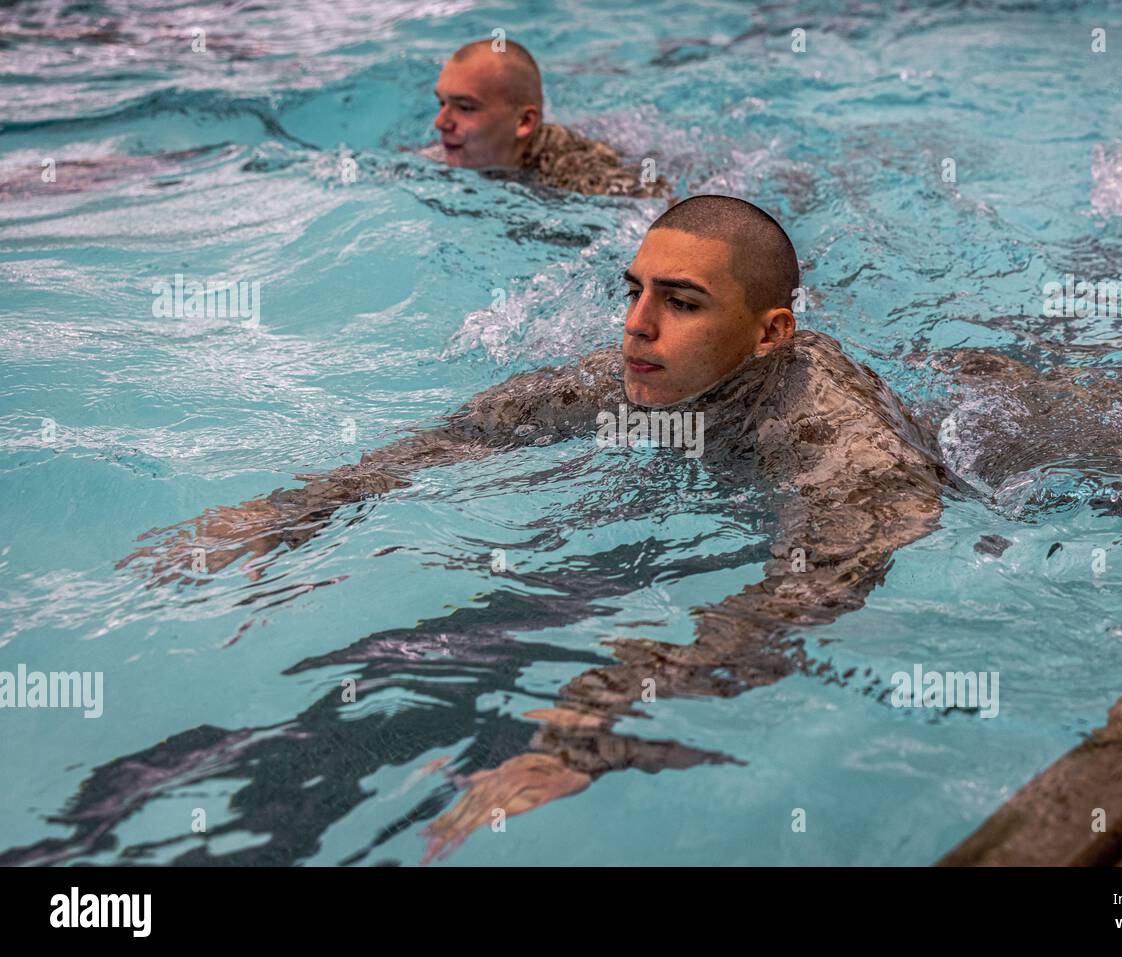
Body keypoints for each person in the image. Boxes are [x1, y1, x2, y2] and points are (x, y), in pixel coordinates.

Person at [122, 194, 949, 856]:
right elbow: (470, 431)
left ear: (770, 333)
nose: (637, 323)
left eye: (682, 302)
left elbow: (809, 591)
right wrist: (288, 512)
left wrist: (595, 719)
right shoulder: (643, 368)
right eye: (635, 291)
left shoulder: (839, 440)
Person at [414, 39, 670, 198]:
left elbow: (664, 204)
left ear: (524, 122)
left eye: (465, 108)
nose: (440, 122)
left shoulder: (581, 176)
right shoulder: (435, 158)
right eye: (441, 103)